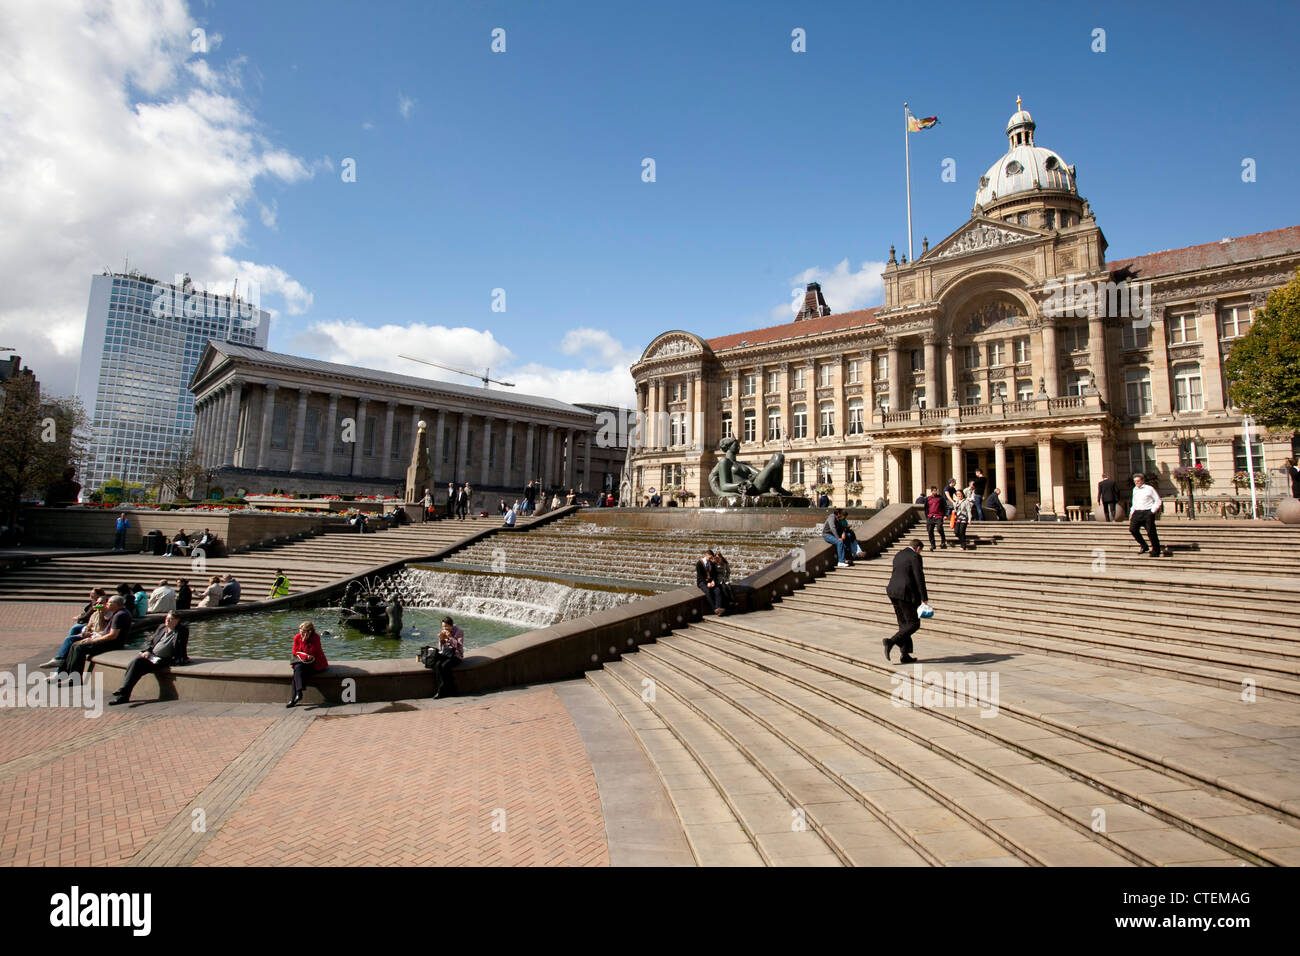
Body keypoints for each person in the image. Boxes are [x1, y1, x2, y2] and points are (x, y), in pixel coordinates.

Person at [108, 611, 190, 704]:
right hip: (153, 657)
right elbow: (151, 642)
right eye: (167, 618)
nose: (168, 621)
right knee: (135, 663)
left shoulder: (181, 631)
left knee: (136, 666)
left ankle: (124, 693)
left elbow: (180, 647)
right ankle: (124, 693)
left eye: (171, 619)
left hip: (165, 660)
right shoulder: (162, 627)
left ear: (177, 620)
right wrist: (147, 651)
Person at [58, 595, 132, 682]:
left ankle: (75, 679)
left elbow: (113, 635)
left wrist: (92, 640)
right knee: (74, 644)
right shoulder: (119, 613)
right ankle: (66, 675)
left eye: (109, 602)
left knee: (79, 648)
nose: (107, 604)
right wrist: (93, 634)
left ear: (117, 604)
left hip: (112, 643)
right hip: (109, 640)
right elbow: (108, 632)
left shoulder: (120, 615)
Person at [883, 540, 928, 664]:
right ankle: (890, 641)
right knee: (914, 624)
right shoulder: (915, 557)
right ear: (918, 548)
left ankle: (905, 654)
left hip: (892, 591)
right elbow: (919, 577)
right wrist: (924, 598)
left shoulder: (899, 554)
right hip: (905, 593)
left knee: (903, 624)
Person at [43, 588, 108, 668]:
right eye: (97, 603)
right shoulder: (95, 614)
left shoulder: (109, 616)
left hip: (99, 639)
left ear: (106, 604)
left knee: (77, 645)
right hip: (91, 635)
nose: (97, 605)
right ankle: (59, 664)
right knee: (69, 640)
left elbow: (107, 632)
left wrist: (92, 634)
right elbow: (88, 626)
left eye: (101, 603)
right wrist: (85, 631)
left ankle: (68, 672)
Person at [286, 621, 328, 707]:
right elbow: (294, 651)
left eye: (303, 632)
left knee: (296, 672)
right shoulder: (297, 637)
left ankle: (294, 698)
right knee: (297, 669)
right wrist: (303, 651)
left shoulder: (316, 638)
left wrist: (304, 641)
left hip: (316, 663)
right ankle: (298, 693)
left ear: (310, 631)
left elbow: (312, 653)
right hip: (302, 662)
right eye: (300, 631)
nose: (301, 634)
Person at [1130, 473, 1162, 558]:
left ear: (1142, 481)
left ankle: (1156, 550)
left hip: (1147, 512)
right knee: (1133, 529)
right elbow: (1134, 502)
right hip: (1137, 512)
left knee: (1151, 532)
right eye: (1135, 481)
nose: (1136, 483)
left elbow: (1158, 500)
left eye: (1138, 481)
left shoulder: (1149, 489)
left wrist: (1152, 511)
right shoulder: (1135, 489)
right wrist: (1131, 512)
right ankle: (1144, 545)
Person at [432, 616, 464, 698]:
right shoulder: (443, 631)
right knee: (437, 665)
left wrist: (450, 637)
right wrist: (441, 639)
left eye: (446, 626)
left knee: (444, 666)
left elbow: (459, 646)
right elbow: (440, 647)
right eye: (443, 626)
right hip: (446, 654)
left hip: (456, 655)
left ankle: (444, 690)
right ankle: (446, 689)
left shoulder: (459, 631)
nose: (444, 628)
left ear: (451, 625)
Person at [695, 549, 724, 614]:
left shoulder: (711, 563)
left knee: (717, 590)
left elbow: (714, 574)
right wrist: (707, 583)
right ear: (706, 555)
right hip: (701, 582)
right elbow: (700, 576)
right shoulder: (699, 563)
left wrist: (713, 581)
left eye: (712, 557)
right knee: (708, 591)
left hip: (711, 581)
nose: (711, 558)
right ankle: (714, 609)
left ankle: (718, 607)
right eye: (710, 557)